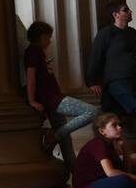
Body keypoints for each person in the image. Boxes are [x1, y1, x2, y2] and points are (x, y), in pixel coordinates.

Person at [24, 21, 97, 170]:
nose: (50, 41)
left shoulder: (38, 51)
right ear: (41, 36)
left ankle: (74, 169)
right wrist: (32, 100)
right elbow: (30, 76)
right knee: (92, 111)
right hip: (51, 98)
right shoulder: (33, 50)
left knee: (66, 142)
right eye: (48, 37)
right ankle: (55, 136)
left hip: (53, 96)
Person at [86, 0, 136, 153]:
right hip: (118, 81)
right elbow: (96, 57)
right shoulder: (106, 34)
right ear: (116, 15)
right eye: (126, 10)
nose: (130, 12)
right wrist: (92, 81)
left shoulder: (132, 32)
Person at [72, 113, 136, 188]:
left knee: (133, 174)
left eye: (120, 125)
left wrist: (124, 148)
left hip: (102, 183)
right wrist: (135, 177)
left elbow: (126, 170)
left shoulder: (110, 145)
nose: (119, 128)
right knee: (125, 179)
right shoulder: (98, 144)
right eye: (114, 125)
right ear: (102, 131)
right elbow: (110, 172)